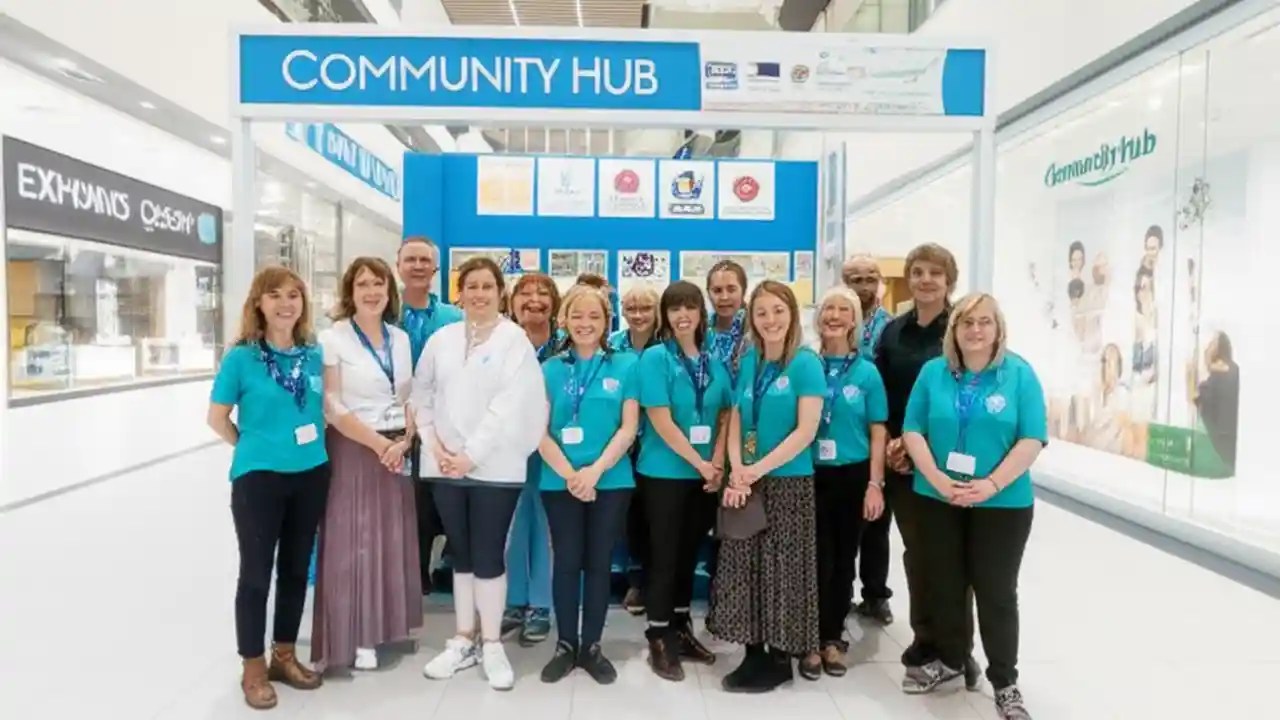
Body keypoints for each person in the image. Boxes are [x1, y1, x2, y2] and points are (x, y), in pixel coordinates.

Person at [902, 292, 1045, 720]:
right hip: (938, 498)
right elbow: (912, 430)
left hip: (1002, 502)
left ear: (998, 329)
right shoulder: (933, 373)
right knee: (945, 585)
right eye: (966, 322)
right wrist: (938, 479)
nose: (976, 330)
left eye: (984, 322)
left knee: (996, 591)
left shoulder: (1019, 375)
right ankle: (951, 660)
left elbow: (1031, 438)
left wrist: (991, 484)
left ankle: (1006, 681)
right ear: (954, 330)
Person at [414, 257, 547, 691]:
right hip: (445, 464)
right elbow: (422, 392)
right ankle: (463, 639)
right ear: (460, 292)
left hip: (494, 466)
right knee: (463, 554)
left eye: (487, 286)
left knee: (489, 554)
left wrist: (471, 454)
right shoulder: (442, 339)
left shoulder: (515, 342)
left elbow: (511, 404)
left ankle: (492, 644)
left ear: (499, 292)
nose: (478, 294)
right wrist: (434, 443)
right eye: (471, 286)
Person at [206, 266, 328, 710]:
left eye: (294, 295)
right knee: (256, 573)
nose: (285, 303)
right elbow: (217, 418)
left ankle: (284, 654)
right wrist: (253, 449)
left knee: (297, 569)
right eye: (274, 295)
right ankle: (253, 667)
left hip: (311, 473)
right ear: (258, 303)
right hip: (259, 480)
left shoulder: (313, 353)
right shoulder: (241, 358)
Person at [708, 280, 825, 694]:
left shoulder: (806, 363)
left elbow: (805, 431)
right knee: (744, 565)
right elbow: (738, 415)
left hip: (789, 484)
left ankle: (779, 659)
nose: (770, 320)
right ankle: (752, 652)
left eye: (778, 310)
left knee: (785, 571)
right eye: (761, 313)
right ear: (751, 318)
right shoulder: (751, 359)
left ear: (792, 313)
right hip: (749, 479)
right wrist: (738, 468)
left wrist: (755, 471)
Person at [873, 243, 979, 692]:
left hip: (948, 462)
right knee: (918, 556)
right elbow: (881, 394)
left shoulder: (962, 330)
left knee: (952, 561)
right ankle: (925, 641)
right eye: (917, 272)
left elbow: (967, 397)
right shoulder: (892, 332)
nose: (926, 280)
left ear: (949, 280)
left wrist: (919, 446)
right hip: (901, 460)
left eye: (936, 273)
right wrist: (894, 444)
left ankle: (959, 651)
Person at [311, 257, 421, 673]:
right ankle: (354, 635)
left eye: (378, 283)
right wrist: (377, 443)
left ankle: (387, 627)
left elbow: (409, 397)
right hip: (354, 447)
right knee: (351, 540)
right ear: (350, 292)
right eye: (363, 284)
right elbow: (332, 404)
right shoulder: (334, 337)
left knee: (389, 537)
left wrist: (406, 440)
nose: (372, 291)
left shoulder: (401, 339)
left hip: (395, 450)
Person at [537, 284, 641, 685]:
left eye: (594, 316)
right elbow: (539, 430)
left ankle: (592, 646)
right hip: (558, 479)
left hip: (610, 480)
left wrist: (594, 472)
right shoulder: (549, 368)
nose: (585, 323)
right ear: (564, 319)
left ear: (606, 321)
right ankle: (565, 644)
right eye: (577, 315)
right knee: (566, 562)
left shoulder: (626, 366)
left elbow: (629, 427)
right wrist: (570, 475)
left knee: (598, 564)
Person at [636, 281, 729, 681]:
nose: (682, 315)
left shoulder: (714, 359)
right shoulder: (656, 358)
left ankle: (679, 628)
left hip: (704, 476)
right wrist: (701, 462)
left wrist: (718, 463)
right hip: (665, 474)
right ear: (666, 315)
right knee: (664, 557)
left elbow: (727, 413)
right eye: (674, 309)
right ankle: (658, 636)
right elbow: (660, 419)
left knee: (689, 555)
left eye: (690, 307)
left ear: (700, 313)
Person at [802, 287, 888, 678]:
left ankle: (832, 637)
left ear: (855, 320)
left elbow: (877, 431)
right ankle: (807, 638)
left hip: (852, 476)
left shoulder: (868, 372)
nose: (834, 316)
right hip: (809, 473)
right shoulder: (805, 365)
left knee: (842, 560)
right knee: (812, 559)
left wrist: (875, 484)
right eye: (827, 309)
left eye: (843, 310)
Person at [396, 236, 463, 594]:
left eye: (425, 260)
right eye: (411, 260)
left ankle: (447, 566)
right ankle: (411, 574)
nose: (418, 266)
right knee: (405, 503)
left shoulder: (455, 318)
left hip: (443, 423)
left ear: (435, 269)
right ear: (399, 266)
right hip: (393, 424)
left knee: (441, 498)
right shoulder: (384, 314)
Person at [502, 273, 562, 647]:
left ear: (555, 304)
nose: (534, 300)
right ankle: (512, 600)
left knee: (546, 527)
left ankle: (540, 604)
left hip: (555, 450)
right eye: (525, 293)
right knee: (510, 525)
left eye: (543, 293)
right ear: (511, 302)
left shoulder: (567, 347)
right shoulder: (501, 343)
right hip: (507, 449)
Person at [841, 254, 896, 626]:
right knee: (842, 520)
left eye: (869, 278)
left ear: (880, 282)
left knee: (877, 519)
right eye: (855, 279)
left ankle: (875, 594)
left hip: (881, 430)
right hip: (841, 433)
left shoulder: (892, 329)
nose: (863, 285)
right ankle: (839, 591)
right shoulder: (836, 321)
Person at [609, 282, 661, 615]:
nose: (638, 315)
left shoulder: (667, 345)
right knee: (630, 517)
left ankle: (658, 582)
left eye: (646, 308)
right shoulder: (613, 345)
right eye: (632, 308)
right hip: (623, 440)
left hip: (660, 441)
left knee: (658, 515)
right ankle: (637, 581)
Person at [705, 260, 749, 382]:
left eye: (731, 289)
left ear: (743, 291)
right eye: (717, 290)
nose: (724, 297)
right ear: (708, 293)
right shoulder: (700, 330)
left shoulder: (759, 329)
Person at [842, 254, 893, 358]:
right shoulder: (837, 320)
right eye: (857, 280)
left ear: (878, 282)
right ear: (846, 283)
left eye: (870, 280)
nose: (864, 287)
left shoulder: (889, 325)